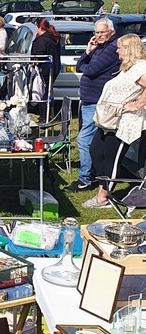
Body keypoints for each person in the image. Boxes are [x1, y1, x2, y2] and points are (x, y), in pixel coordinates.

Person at [84, 34, 146, 208]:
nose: (117, 50)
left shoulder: (141, 67)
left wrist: (138, 104)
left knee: (112, 157)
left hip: (123, 122)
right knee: (96, 151)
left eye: (120, 47)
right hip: (108, 120)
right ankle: (106, 186)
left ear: (129, 49)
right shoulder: (128, 67)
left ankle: (103, 197)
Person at [69, 18, 121, 192]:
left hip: (97, 102)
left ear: (111, 32)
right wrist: (88, 51)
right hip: (89, 100)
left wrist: (86, 63)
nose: (98, 36)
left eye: (102, 32)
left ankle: (85, 179)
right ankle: (91, 175)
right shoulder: (99, 47)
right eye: (96, 32)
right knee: (90, 140)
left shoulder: (112, 49)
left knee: (84, 139)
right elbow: (79, 66)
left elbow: (90, 70)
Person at [30, 18, 62, 119]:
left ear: (39, 27)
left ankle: (45, 116)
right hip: (53, 69)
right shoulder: (53, 37)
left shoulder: (42, 40)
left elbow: (38, 55)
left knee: (42, 92)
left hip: (44, 70)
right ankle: (48, 114)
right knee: (48, 92)